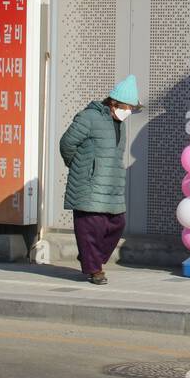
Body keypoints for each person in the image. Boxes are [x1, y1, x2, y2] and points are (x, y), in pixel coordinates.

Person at [59, 77, 141, 284]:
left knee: (117, 224)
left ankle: (89, 257)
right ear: (113, 103)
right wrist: (79, 166)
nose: (129, 111)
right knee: (91, 225)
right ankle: (94, 270)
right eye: (127, 107)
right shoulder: (89, 117)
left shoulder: (119, 124)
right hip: (89, 182)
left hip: (112, 183)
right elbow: (67, 143)